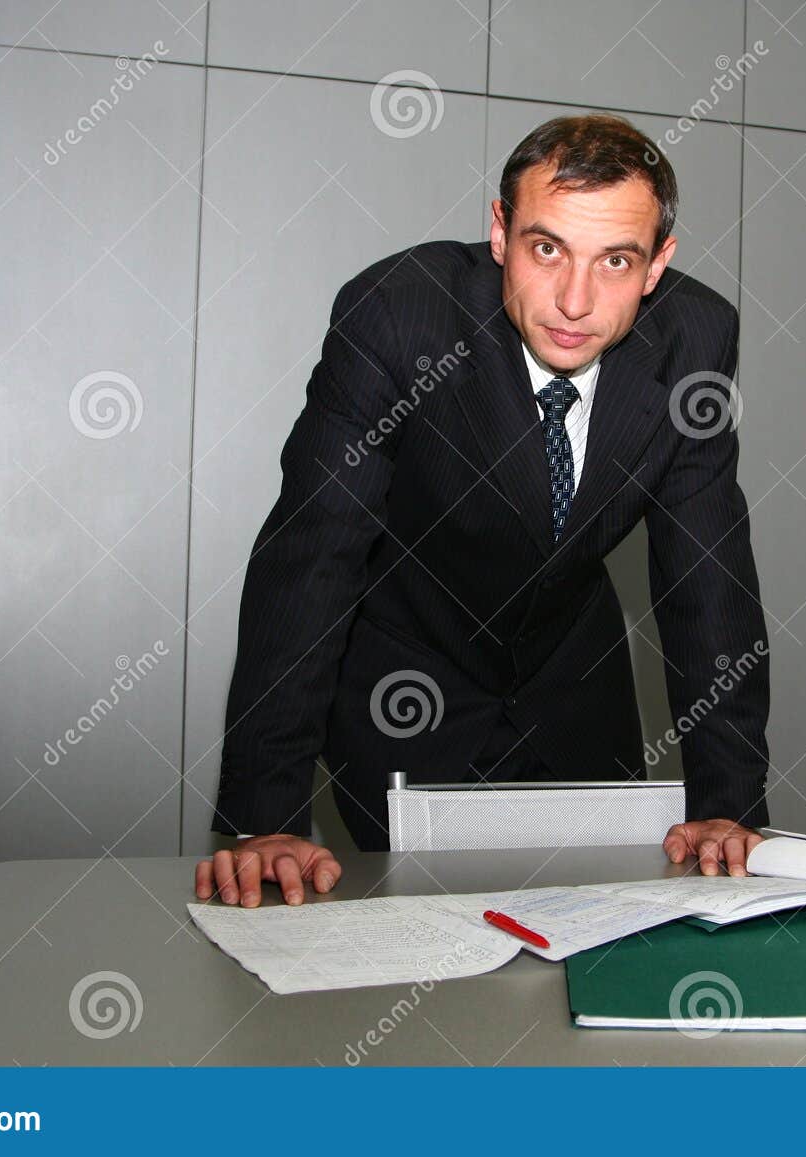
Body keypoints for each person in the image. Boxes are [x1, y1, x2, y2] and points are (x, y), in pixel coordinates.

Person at [194, 113, 772, 908]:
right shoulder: (401, 314)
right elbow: (312, 558)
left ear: (657, 266)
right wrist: (264, 816)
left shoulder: (696, 339)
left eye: (615, 260)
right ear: (499, 231)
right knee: (418, 964)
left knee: (595, 946)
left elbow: (708, 579)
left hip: (575, 689)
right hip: (408, 682)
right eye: (547, 249)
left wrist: (726, 803)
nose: (575, 299)